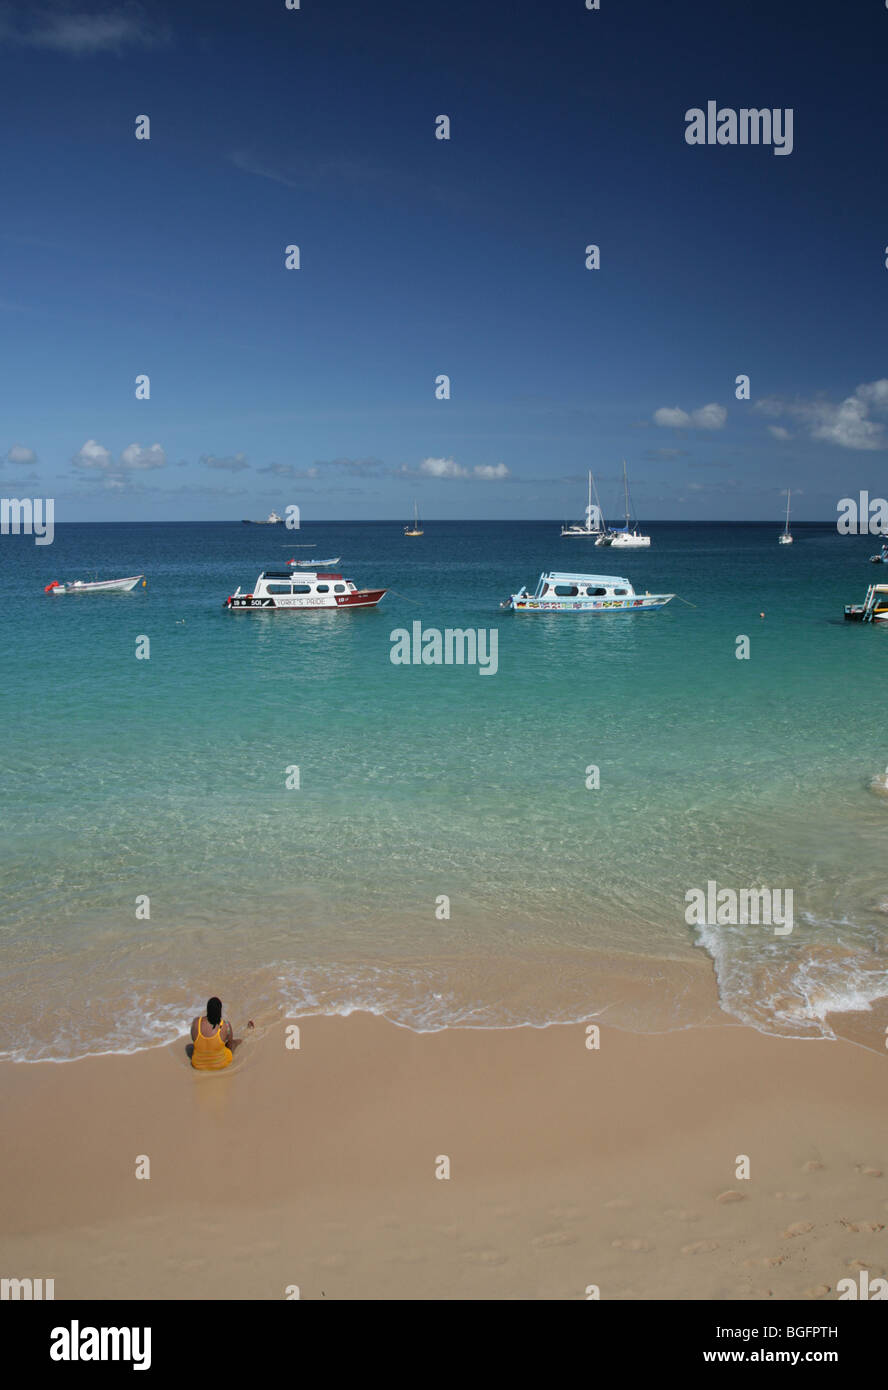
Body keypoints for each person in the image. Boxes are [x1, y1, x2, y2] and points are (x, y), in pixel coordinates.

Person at [190, 996, 233, 1070]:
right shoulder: (226, 1025)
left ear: (207, 1009)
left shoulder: (196, 1022)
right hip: (221, 1064)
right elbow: (229, 1046)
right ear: (220, 1010)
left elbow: (194, 1040)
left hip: (197, 1065)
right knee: (235, 1042)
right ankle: (249, 1030)